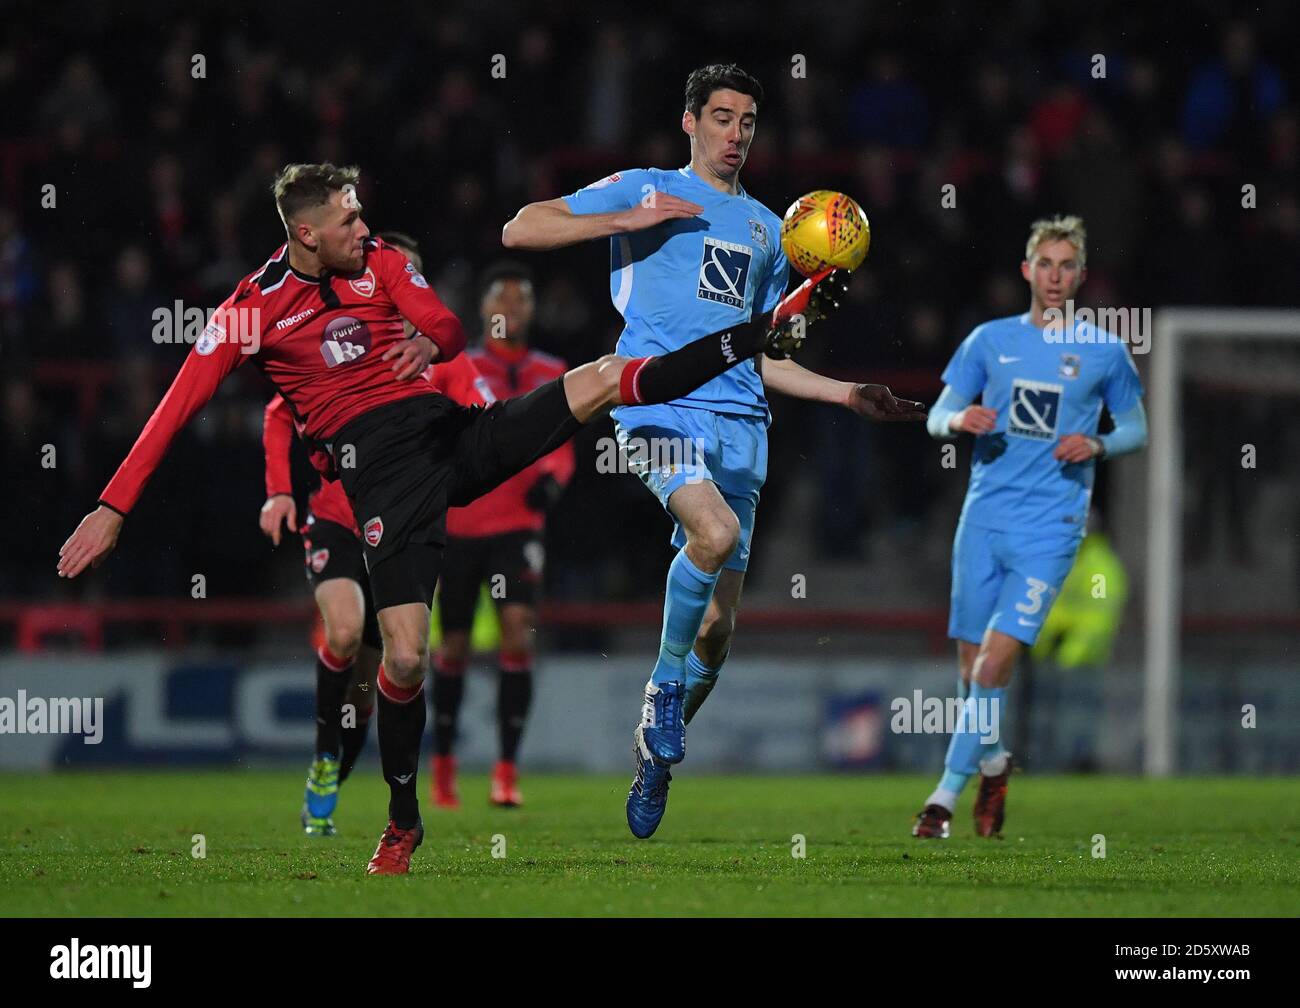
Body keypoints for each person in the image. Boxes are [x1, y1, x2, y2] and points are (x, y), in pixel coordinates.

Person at [58, 162, 846, 874]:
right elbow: (175, 405)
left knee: (606, 376)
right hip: (384, 487)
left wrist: (424, 338)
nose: (365, 228)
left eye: (363, 214)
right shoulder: (250, 310)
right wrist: (111, 506)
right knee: (403, 660)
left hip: (456, 438)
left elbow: (445, 328)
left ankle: (753, 334)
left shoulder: (384, 263)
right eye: (347, 221)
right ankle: (403, 822)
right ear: (305, 234)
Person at [502, 64, 926, 839]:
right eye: (723, 118)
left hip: (743, 426)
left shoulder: (769, 228)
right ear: (690, 122)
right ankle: (661, 692)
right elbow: (521, 226)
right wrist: (624, 221)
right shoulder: (644, 188)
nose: (736, 135)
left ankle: (655, 753)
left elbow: (763, 352)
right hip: (657, 406)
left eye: (749, 122)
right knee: (715, 533)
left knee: (718, 637)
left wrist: (847, 394)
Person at [913, 214, 1148, 839]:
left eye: (1067, 265)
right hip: (984, 520)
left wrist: (1097, 445)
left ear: (1081, 275)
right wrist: (960, 421)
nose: (1055, 276)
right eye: (1045, 264)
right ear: (1026, 270)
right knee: (972, 672)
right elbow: (936, 414)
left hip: (1052, 528)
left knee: (992, 668)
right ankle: (993, 764)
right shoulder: (988, 341)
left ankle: (942, 800)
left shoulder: (1103, 350)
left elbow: (1136, 428)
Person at [258, 232, 488, 836]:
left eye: (409, 283)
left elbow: (480, 422)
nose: (397, 293)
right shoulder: (345, 341)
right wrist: (279, 489)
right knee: (340, 628)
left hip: (401, 532)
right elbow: (281, 412)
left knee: (379, 677)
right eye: (390, 281)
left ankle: (336, 766)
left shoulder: (446, 360)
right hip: (338, 517)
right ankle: (324, 756)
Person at [431, 261, 572, 809]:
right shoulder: (454, 366)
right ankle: (443, 768)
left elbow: (564, 436)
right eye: (503, 299)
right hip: (461, 526)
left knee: (517, 634)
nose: (511, 309)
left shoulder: (552, 369)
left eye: (522, 300)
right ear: (485, 308)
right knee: (455, 646)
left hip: (517, 527)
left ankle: (506, 771)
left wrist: (554, 482)